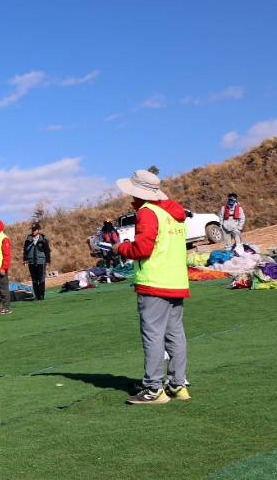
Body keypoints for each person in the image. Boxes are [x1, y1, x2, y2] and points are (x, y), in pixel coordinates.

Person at [109, 169, 190, 405]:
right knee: (175, 335)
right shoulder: (173, 213)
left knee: (153, 336)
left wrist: (120, 248)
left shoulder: (147, 212)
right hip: (176, 281)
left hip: (155, 282)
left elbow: (142, 249)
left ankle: (153, 387)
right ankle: (178, 384)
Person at [22, 223, 51, 300]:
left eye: (35, 230)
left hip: (41, 261)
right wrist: (25, 260)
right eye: (32, 230)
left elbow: (47, 251)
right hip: (31, 262)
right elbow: (25, 251)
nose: (33, 231)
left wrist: (48, 261)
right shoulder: (28, 240)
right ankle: (36, 296)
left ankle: (41, 295)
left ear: (38, 230)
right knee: (34, 280)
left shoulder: (43, 239)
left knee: (41, 279)